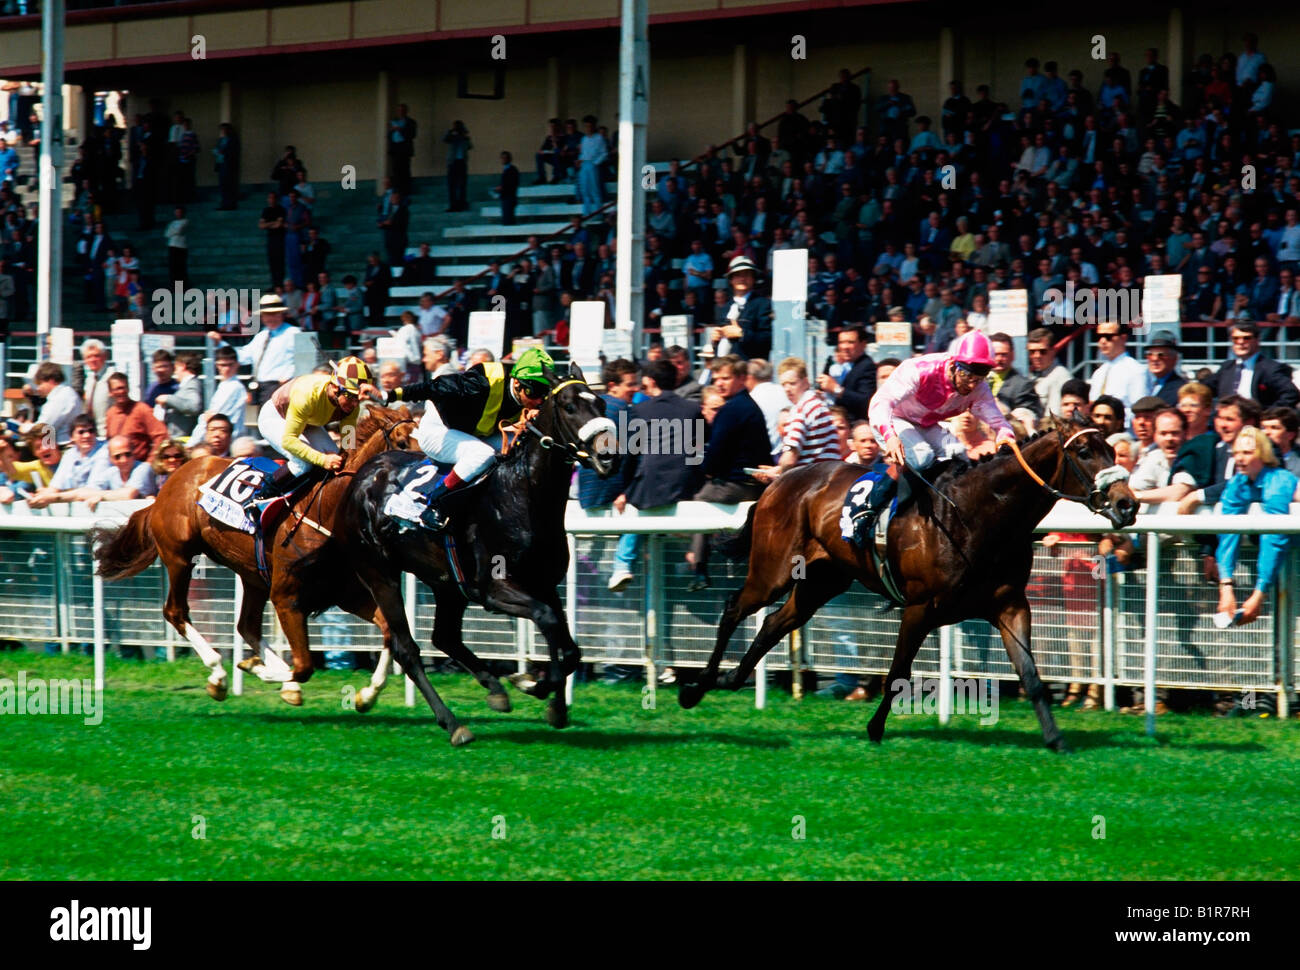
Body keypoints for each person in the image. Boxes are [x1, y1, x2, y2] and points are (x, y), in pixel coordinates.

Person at [378, 346, 555, 532]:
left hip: (477, 433)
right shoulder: (480, 382)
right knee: (482, 454)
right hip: (439, 429)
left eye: (544, 394)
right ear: (517, 383)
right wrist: (389, 395)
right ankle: (431, 501)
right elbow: (431, 387)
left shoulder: (531, 394)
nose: (539, 401)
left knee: (519, 449)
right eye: (535, 393)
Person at [857, 330, 1017, 527]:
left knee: (960, 454)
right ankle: (872, 507)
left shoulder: (978, 389)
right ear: (953, 365)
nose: (971, 384)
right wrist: (890, 435)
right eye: (967, 374)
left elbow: (1000, 423)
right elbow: (881, 402)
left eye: (980, 377)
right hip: (893, 418)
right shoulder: (921, 370)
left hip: (925, 423)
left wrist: (1006, 436)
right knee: (922, 456)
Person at [611, 359, 702, 583]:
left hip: (649, 486)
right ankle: (695, 569)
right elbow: (698, 452)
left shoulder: (637, 411)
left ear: (650, 382)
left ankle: (622, 565)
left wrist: (624, 489)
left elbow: (629, 456)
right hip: (685, 484)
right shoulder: (693, 408)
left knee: (639, 517)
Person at [684, 355, 771, 591]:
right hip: (753, 482)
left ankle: (698, 567)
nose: (720, 383)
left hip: (737, 485)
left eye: (726, 378)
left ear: (742, 378)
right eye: (717, 378)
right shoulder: (747, 405)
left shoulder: (731, 409)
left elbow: (716, 455)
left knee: (699, 502)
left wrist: (707, 472)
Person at [1205, 428, 1300, 625]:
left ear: (1263, 455)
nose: (1239, 458)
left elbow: (1274, 537)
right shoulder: (1238, 482)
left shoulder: (1279, 480)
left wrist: (1259, 594)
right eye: (1236, 453)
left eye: (1247, 453)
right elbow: (1228, 533)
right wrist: (1226, 587)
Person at [256, 357, 374, 501]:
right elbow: (289, 441)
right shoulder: (307, 395)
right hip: (277, 418)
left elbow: (348, 445)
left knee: (339, 461)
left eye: (359, 399)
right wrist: (323, 459)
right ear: (335, 387)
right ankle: (260, 497)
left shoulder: (351, 404)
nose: (355, 404)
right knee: (302, 464)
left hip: (309, 422)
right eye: (351, 397)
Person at [208, 294, 301, 406]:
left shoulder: (294, 333)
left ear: (282, 314)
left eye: (274, 314)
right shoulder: (262, 336)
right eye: (266, 315)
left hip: (282, 386)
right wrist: (220, 343)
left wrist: (290, 377)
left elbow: (304, 362)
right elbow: (243, 357)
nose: (270, 318)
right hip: (261, 387)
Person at [25, 416, 111, 509]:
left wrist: (52, 497)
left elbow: (91, 491)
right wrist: (38, 497)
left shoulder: (105, 452)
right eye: (81, 432)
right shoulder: (70, 454)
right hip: (82, 506)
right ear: (72, 437)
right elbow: (55, 487)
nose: (87, 435)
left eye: (91, 431)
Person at [1213, 321, 1299, 408]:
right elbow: (1205, 389)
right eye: (1235, 338)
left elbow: (1291, 394)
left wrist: (1268, 415)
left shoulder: (1271, 368)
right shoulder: (1226, 367)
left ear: (1257, 340)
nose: (1241, 342)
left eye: (1246, 338)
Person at [66, 435, 158, 510]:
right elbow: (85, 492)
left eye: (127, 454)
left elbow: (128, 494)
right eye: (117, 456)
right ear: (111, 459)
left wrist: (102, 497)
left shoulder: (143, 468)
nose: (124, 460)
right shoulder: (111, 472)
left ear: (134, 453)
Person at [711, 256, 773, 360]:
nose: (742, 279)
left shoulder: (763, 304)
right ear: (731, 280)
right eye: (737, 275)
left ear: (753, 279)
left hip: (749, 369)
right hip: (726, 368)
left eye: (747, 275)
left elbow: (768, 339)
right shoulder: (725, 307)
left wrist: (742, 334)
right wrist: (715, 340)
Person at [1087, 321, 1147, 425]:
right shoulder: (1099, 373)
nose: (1103, 341)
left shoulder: (1136, 371)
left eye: (1108, 336)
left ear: (1123, 338)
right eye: (1099, 336)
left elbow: (1140, 410)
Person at [104, 373, 169, 462]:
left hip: (138, 464)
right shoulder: (110, 414)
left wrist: (149, 463)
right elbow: (109, 442)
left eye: (124, 387)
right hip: (117, 466)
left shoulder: (141, 410)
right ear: (110, 392)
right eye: (117, 389)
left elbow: (161, 436)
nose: (121, 391)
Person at [816, 325, 877, 420]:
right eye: (841, 342)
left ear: (863, 344)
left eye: (850, 342)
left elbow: (865, 401)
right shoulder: (844, 366)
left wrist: (835, 389)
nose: (845, 347)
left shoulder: (867, 366)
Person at [31, 361, 84, 447]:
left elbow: (45, 426)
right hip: (60, 444)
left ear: (51, 381)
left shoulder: (60, 397)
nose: (38, 388)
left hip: (64, 445)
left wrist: (26, 428)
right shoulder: (63, 394)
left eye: (40, 384)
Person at [155, 351, 203, 438]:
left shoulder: (192, 384)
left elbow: (194, 406)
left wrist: (167, 399)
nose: (175, 371)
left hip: (183, 440)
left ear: (183, 366)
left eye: (176, 367)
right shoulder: (187, 385)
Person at [1025, 327, 1069, 416]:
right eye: (1032, 352)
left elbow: (1054, 417)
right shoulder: (1033, 375)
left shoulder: (1059, 376)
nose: (1037, 356)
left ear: (1053, 351)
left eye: (1043, 351)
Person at [1143, 331, 1186, 405]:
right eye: (1150, 354)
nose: (1154, 359)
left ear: (1174, 359)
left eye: (1161, 355)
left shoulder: (1181, 390)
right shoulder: (1143, 382)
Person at [388, 103, 417, 197]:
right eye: (399, 110)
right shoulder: (393, 121)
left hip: (404, 148)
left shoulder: (411, 122)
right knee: (395, 169)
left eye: (402, 110)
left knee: (405, 169)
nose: (401, 112)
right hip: (395, 147)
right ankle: (397, 190)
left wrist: (400, 129)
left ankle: (406, 190)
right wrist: (392, 130)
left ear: (406, 111)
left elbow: (412, 135)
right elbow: (388, 135)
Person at [443, 120, 472, 212]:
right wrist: (451, 131)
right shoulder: (451, 136)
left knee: (462, 184)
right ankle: (453, 205)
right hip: (453, 162)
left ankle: (462, 203)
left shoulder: (464, 138)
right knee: (452, 185)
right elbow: (444, 139)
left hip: (462, 162)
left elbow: (470, 146)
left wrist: (465, 135)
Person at [498, 151, 519, 225]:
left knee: (508, 219)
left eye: (505, 158)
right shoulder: (507, 169)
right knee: (507, 218)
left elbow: (512, 184)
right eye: (502, 158)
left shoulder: (512, 170)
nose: (503, 160)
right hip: (506, 197)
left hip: (509, 197)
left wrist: (502, 188)